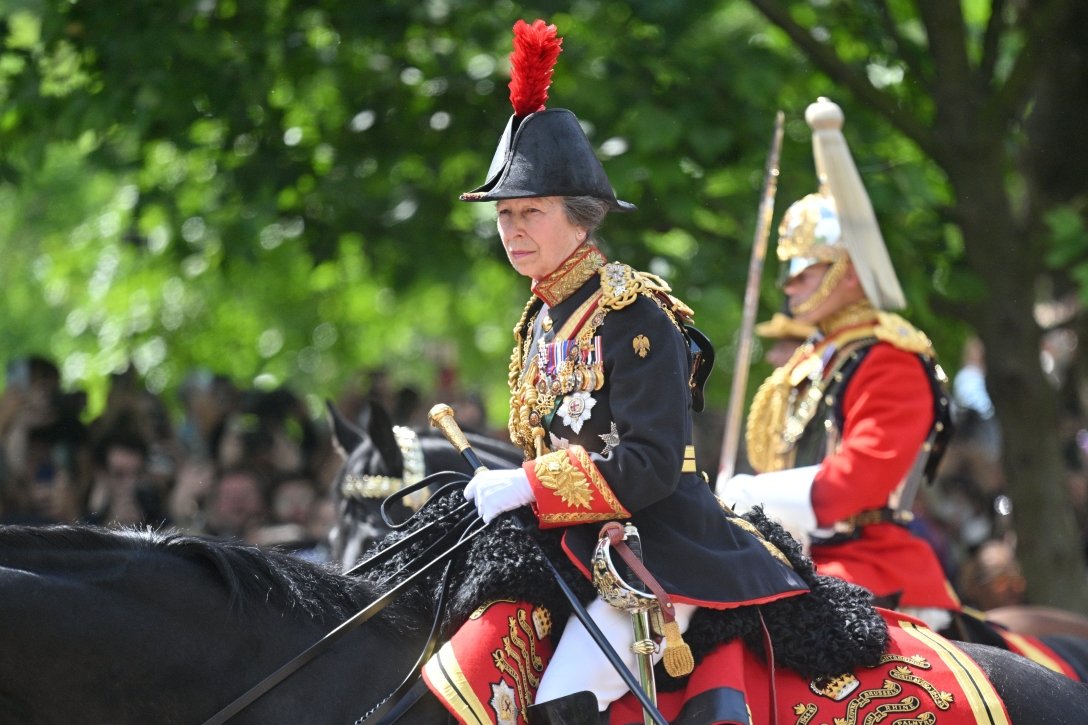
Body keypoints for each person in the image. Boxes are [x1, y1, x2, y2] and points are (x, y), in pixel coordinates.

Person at [422, 20, 810, 724]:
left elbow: (651, 462)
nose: (511, 229)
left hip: (659, 544)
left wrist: (524, 483)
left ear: (580, 218)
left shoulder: (633, 314)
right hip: (569, 542)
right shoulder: (540, 318)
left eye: (529, 212)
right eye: (504, 213)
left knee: (557, 703)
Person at [717, 97, 959, 630]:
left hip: (872, 563)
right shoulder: (814, 358)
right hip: (803, 554)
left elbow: (860, 483)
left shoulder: (888, 356)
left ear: (847, 271)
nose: (790, 286)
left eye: (805, 270)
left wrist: (754, 497)